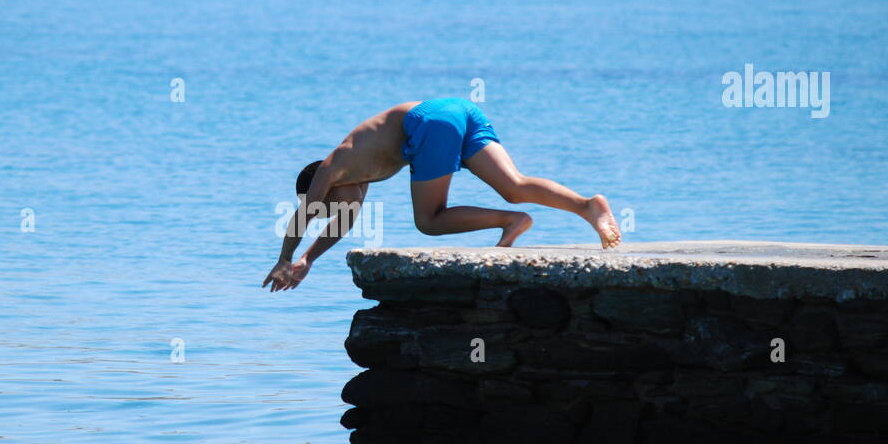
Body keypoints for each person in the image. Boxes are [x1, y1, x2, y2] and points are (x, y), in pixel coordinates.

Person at [263, 97, 621, 291]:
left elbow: (304, 214)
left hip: (428, 122)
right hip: (458, 111)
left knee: (429, 221)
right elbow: (340, 224)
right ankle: (588, 206)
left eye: (327, 207)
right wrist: (308, 260)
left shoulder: (334, 165)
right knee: (514, 187)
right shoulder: (358, 176)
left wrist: (285, 257)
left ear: (321, 190)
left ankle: (511, 221)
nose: (333, 212)